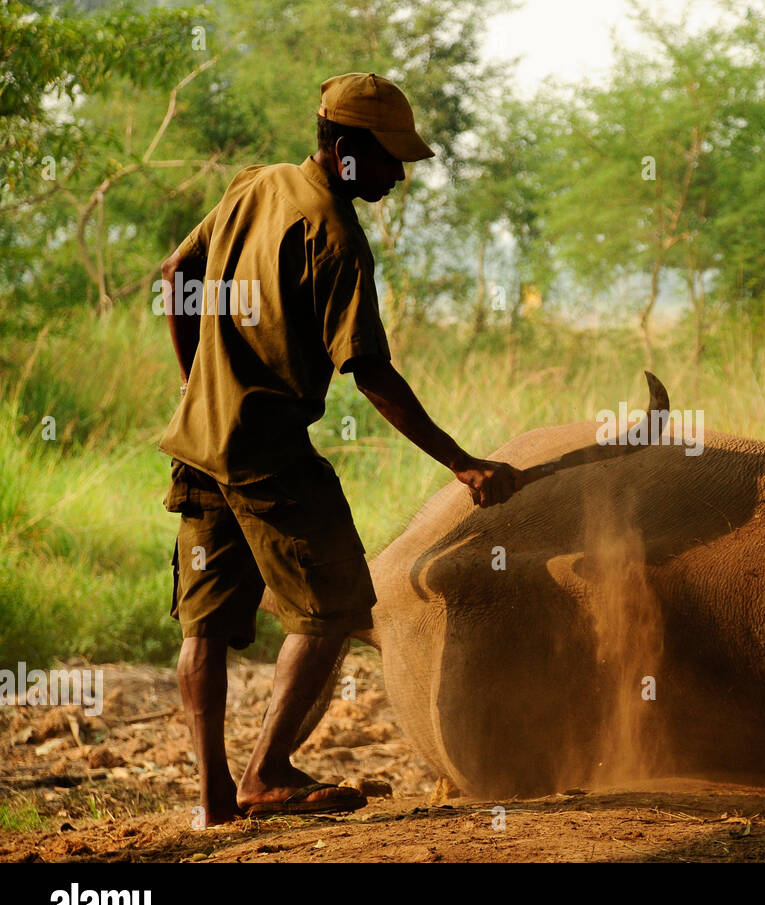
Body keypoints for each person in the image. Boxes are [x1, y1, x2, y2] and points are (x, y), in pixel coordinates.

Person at [158, 72, 519, 825]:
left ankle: (213, 797)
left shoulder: (254, 186)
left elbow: (176, 272)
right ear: (347, 149)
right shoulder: (336, 235)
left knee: (204, 627)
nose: (398, 173)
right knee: (336, 604)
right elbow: (372, 372)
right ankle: (265, 772)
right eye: (390, 158)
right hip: (266, 449)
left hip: (198, 442)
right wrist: (462, 462)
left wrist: (197, 381)